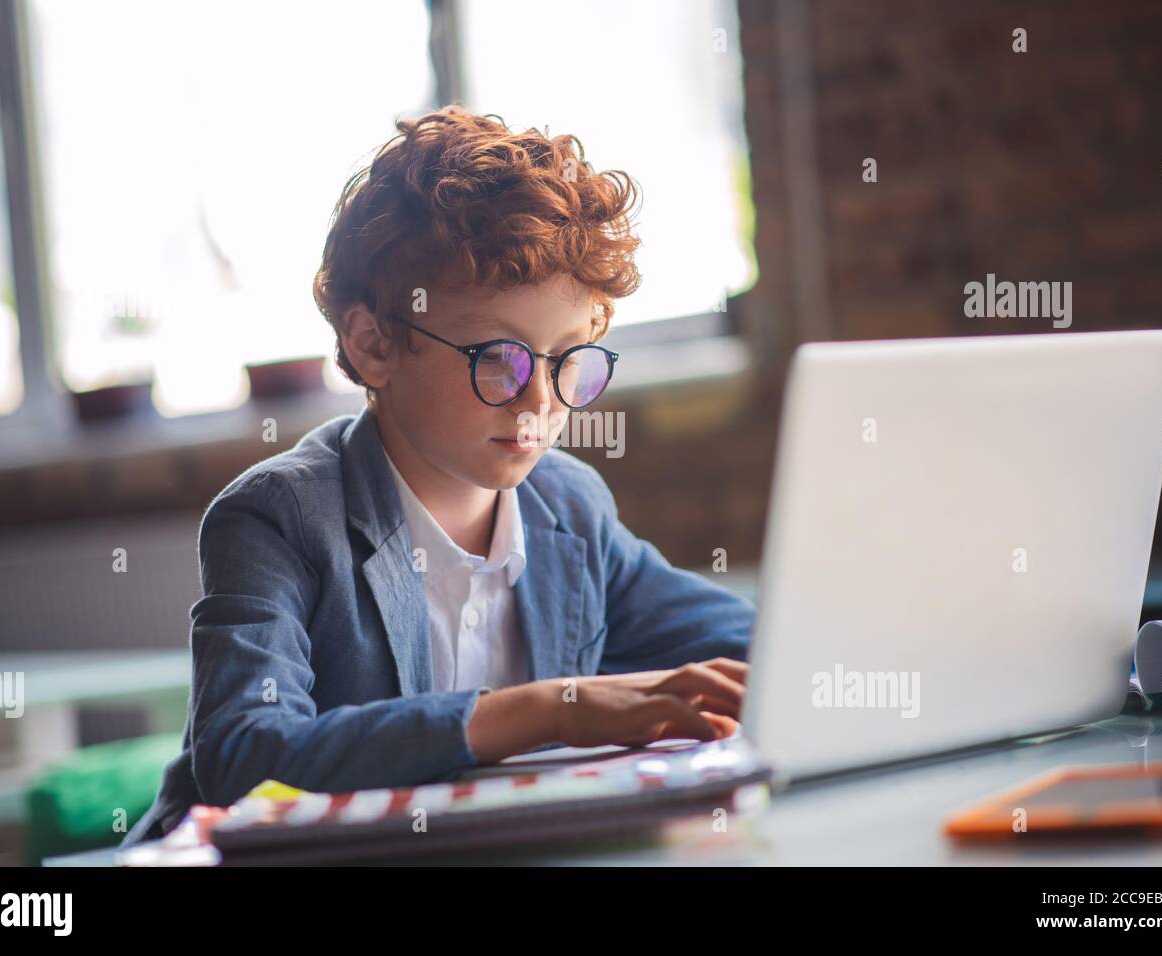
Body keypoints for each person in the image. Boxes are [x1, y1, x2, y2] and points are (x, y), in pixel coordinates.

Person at [122, 106, 754, 848]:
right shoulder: (279, 519)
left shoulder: (569, 508)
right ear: (373, 344)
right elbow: (245, 757)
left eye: (568, 360)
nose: (541, 402)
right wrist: (549, 710)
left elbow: (758, 644)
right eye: (498, 357)